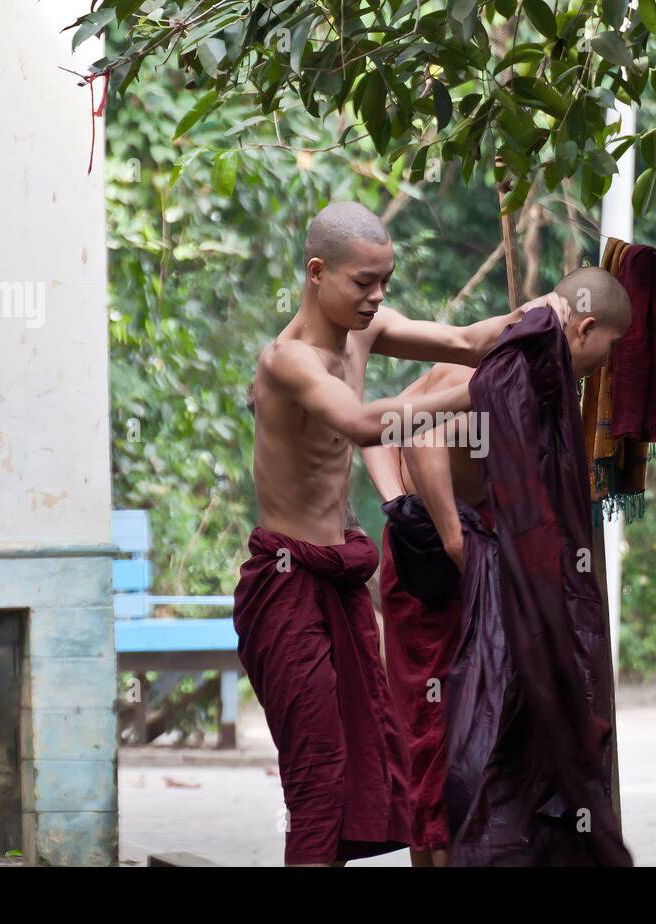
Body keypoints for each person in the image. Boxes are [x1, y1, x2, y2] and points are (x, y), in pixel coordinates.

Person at [232, 201, 570, 867]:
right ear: (317, 272)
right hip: (287, 587)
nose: (376, 295)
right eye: (363, 282)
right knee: (319, 773)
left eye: (384, 280)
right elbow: (362, 426)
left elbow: (466, 342)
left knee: (362, 766)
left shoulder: (366, 330)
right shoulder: (289, 362)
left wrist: (541, 317)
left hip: (344, 580)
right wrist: (475, 396)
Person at [364, 266, 630, 865]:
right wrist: (439, 531)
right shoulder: (503, 357)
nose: (602, 368)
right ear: (584, 328)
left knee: (493, 733)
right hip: (437, 564)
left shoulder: (542, 373)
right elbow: (416, 430)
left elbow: (389, 420)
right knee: (440, 737)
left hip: (480, 556)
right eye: (607, 350)